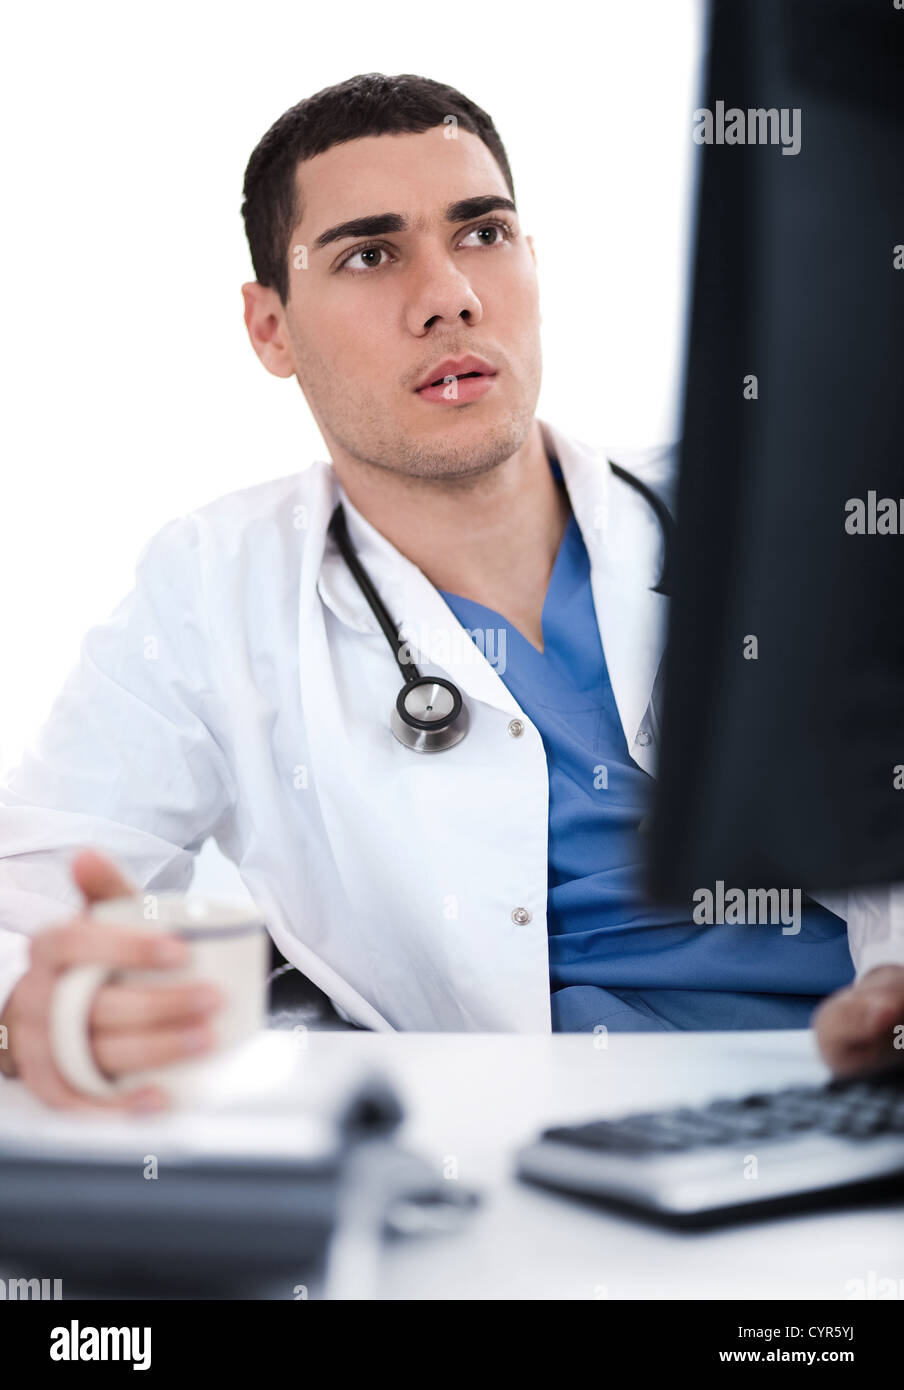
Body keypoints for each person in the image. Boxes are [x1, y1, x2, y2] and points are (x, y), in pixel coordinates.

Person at [1, 74, 901, 1112]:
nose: (449, 296)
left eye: (481, 234)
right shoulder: (215, 588)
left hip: (859, 1101)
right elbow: (29, 898)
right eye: (369, 254)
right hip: (551, 1151)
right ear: (270, 329)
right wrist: (37, 1006)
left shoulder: (760, 501)